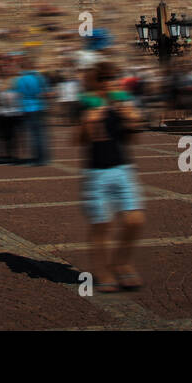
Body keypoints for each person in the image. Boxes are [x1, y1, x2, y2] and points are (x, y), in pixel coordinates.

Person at [77, 62, 144, 292]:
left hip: (122, 168)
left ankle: (121, 262)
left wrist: (132, 121)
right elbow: (78, 140)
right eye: (104, 79)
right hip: (96, 172)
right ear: (96, 82)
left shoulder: (121, 103)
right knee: (102, 226)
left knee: (135, 221)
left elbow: (133, 140)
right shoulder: (88, 104)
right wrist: (88, 123)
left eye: (112, 78)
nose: (108, 83)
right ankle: (102, 271)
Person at [15, 58, 50, 166]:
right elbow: (47, 92)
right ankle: (43, 157)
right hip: (40, 106)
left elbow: (19, 94)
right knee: (41, 134)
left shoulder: (21, 79)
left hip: (27, 108)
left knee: (32, 135)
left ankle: (36, 159)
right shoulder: (39, 77)